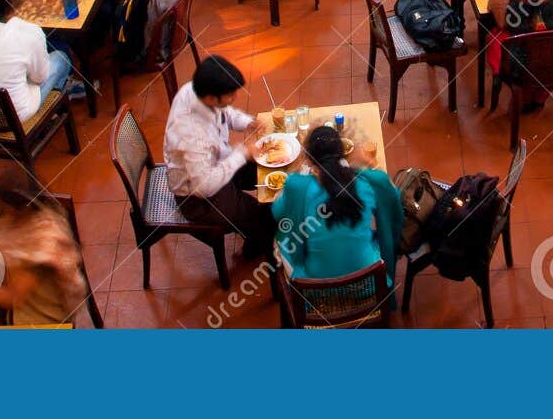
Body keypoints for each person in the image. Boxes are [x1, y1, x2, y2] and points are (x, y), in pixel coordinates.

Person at [163, 53, 273, 258]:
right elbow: (205, 187)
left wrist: (247, 122)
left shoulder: (195, 90)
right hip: (197, 197)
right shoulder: (191, 134)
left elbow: (226, 112)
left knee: (268, 169)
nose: (234, 98)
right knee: (260, 214)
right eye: (230, 95)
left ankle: (257, 231)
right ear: (211, 97)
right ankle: (255, 250)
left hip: (218, 163)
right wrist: (243, 153)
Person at [271, 123, 401, 284]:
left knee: (280, 242)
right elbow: (393, 194)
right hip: (369, 285)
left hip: (316, 292)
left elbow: (277, 212)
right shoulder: (366, 182)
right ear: (342, 155)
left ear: (310, 161)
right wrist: (372, 164)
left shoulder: (297, 186)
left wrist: (297, 170)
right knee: (370, 231)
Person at [0, 169, 90, 326]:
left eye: (4, 206)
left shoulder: (42, 245)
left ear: (14, 208)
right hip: (24, 302)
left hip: (43, 320)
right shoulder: (34, 214)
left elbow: (12, 299)